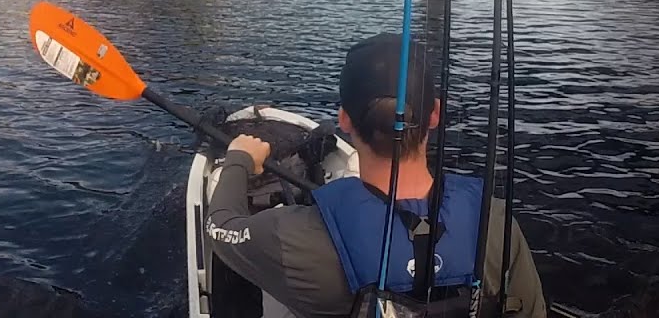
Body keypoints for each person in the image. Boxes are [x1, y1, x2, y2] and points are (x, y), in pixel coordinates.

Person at [205, 32, 547, 318]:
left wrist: (239, 159)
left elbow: (220, 226)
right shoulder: (497, 224)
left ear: (344, 119)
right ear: (434, 114)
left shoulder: (296, 237)